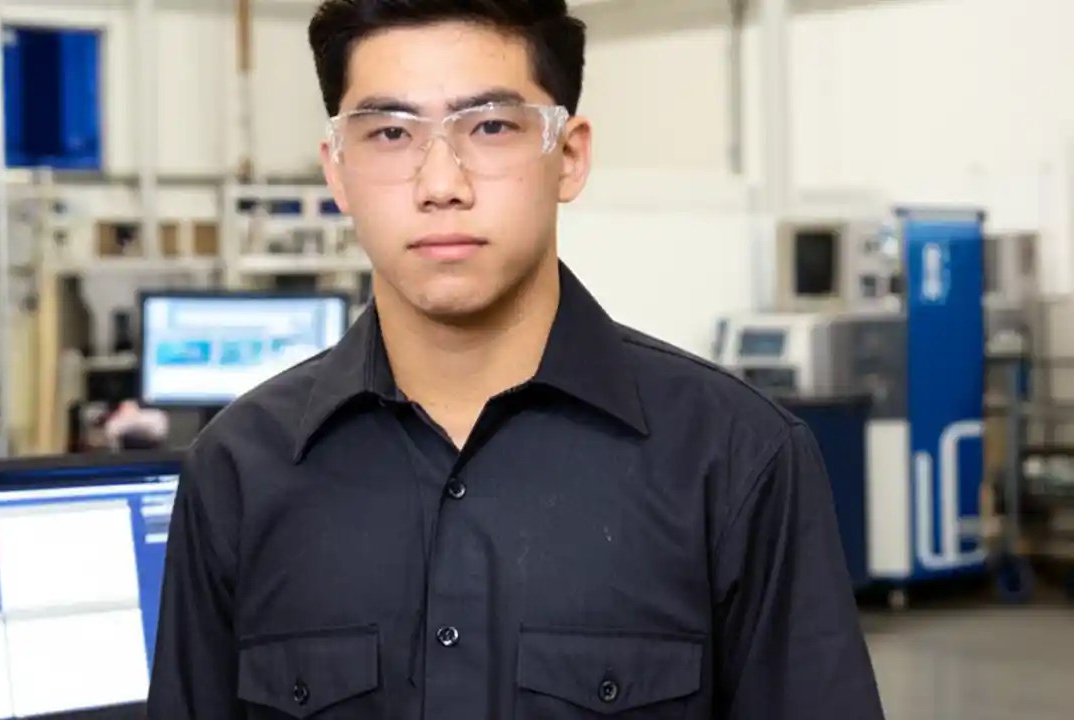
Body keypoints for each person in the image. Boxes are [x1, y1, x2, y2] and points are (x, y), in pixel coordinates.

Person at [147, 1, 886, 718]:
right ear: (337, 171)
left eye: (492, 126)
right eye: (389, 134)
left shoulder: (735, 462)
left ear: (568, 157)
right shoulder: (239, 473)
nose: (441, 185)